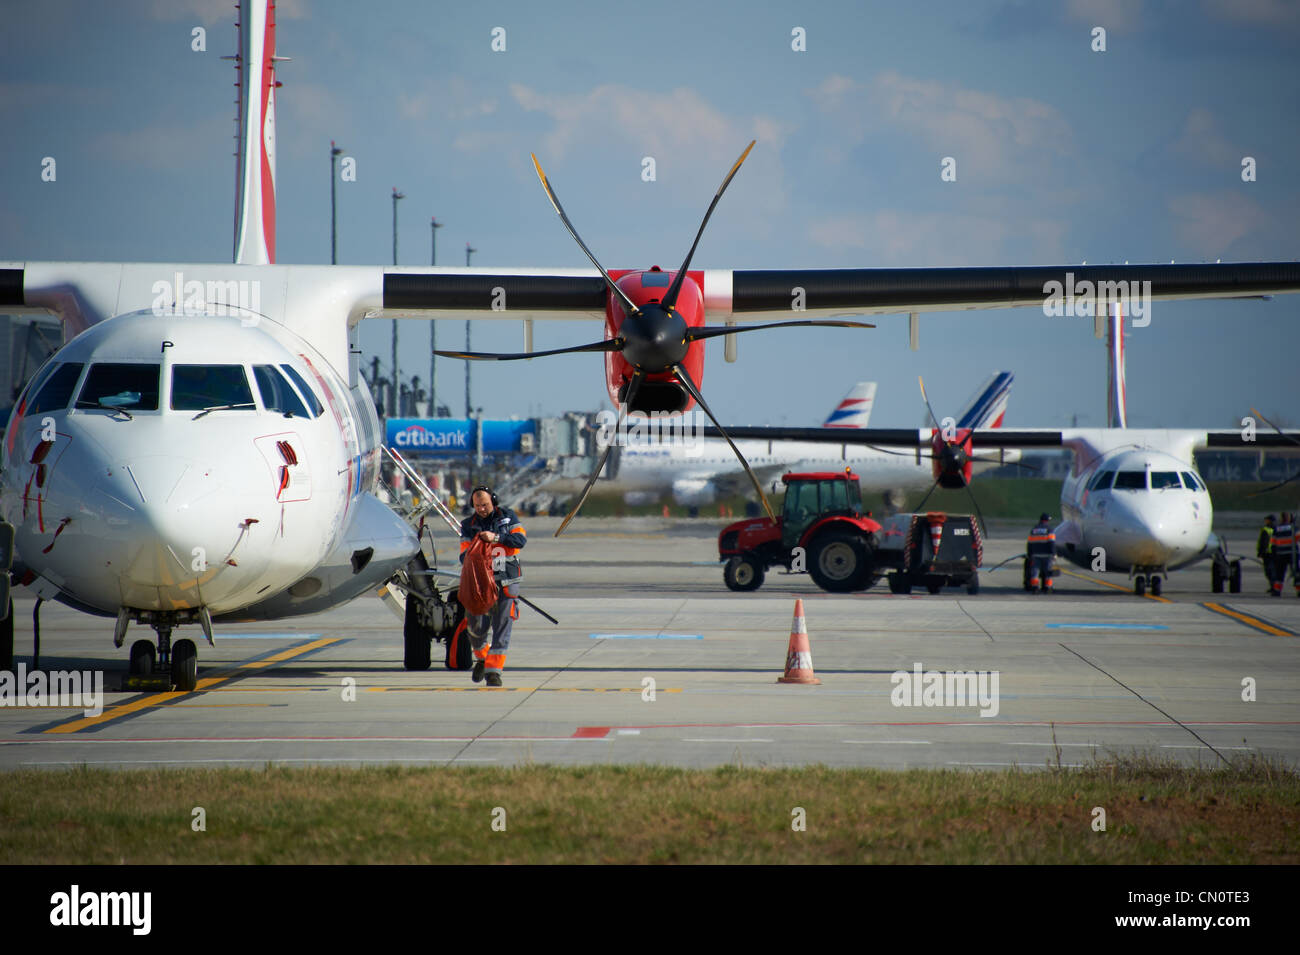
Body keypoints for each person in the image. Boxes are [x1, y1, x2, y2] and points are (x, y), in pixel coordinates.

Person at [459, 485, 527, 685]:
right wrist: (479, 545)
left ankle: (493, 672)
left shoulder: (509, 517)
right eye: (478, 505)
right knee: (475, 627)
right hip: (480, 583)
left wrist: (496, 537)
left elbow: (520, 540)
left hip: (507, 579)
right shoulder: (467, 525)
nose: (481, 509)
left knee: (502, 625)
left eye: (485, 504)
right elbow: (464, 556)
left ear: (494, 501)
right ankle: (482, 657)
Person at [1026, 513, 1056, 593]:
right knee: (1048, 572)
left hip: (1036, 555)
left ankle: (1035, 587)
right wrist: (1054, 554)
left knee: (1035, 572)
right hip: (1047, 555)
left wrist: (1029, 554)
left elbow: (1029, 543)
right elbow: (1051, 543)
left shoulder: (1034, 530)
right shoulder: (1049, 530)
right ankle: (1047, 587)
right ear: (1047, 520)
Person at [1272, 512, 1296, 597]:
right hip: (1292, 554)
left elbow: (1273, 543)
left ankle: (1277, 591)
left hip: (1280, 554)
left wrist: (1273, 555)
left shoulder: (1277, 529)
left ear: (1281, 518)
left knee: (1279, 574)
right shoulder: (1293, 528)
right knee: (1296, 572)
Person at [1257, 514, 1276, 594]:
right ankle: (1274, 587)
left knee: (1269, 571)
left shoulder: (1265, 530)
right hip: (1275, 553)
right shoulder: (1276, 529)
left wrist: (1260, 552)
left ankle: (1273, 587)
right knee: (1273, 571)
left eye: (1266, 519)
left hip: (1267, 553)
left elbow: (1263, 542)